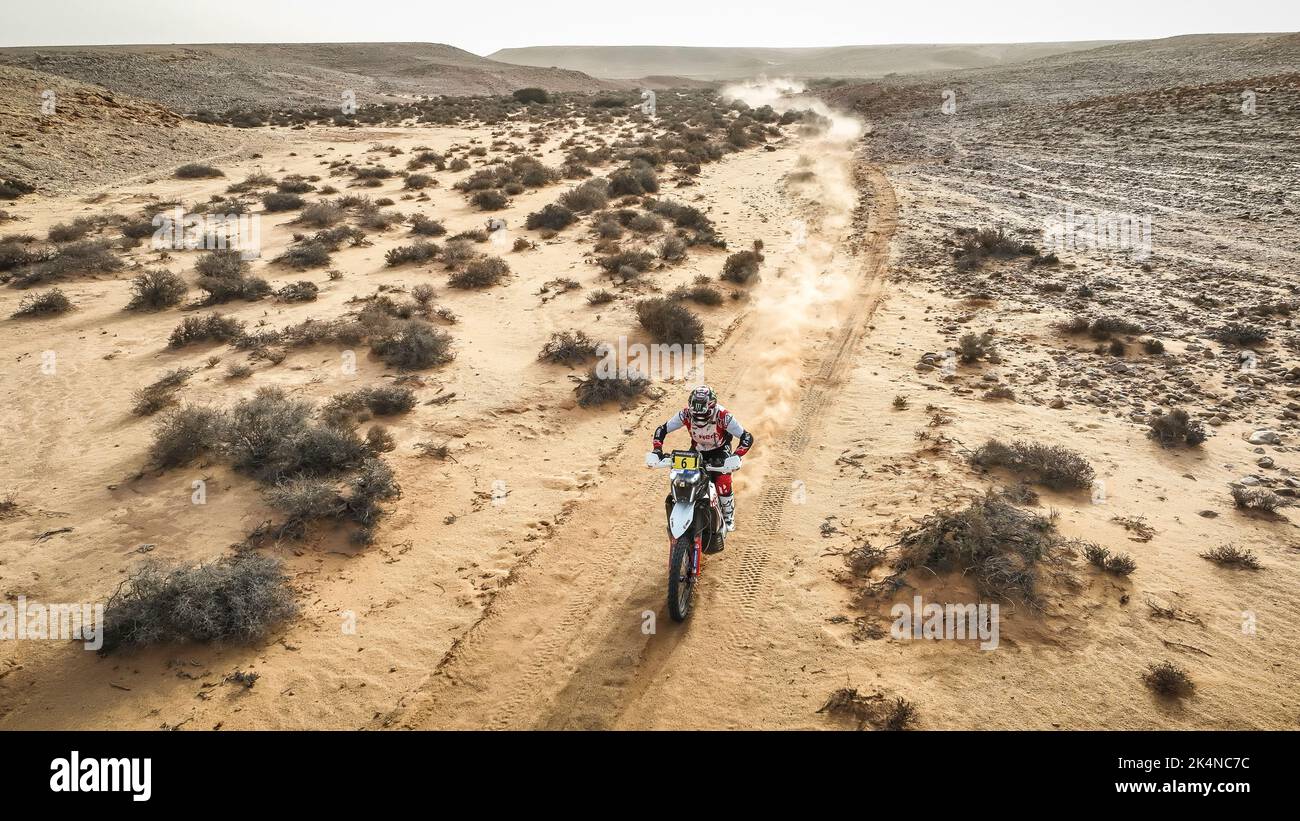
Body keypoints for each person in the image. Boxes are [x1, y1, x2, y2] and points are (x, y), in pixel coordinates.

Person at [649, 385, 753, 533]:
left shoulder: (723, 416)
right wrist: (657, 450)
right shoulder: (685, 414)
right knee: (683, 477)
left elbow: (746, 437)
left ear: (712, 408)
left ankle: (728, 516)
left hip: (720, 451)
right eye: (695, 415)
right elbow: (662, 429)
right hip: (697, 451)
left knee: (722, 480)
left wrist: (736, 455)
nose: (698, 419)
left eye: (703, 415)